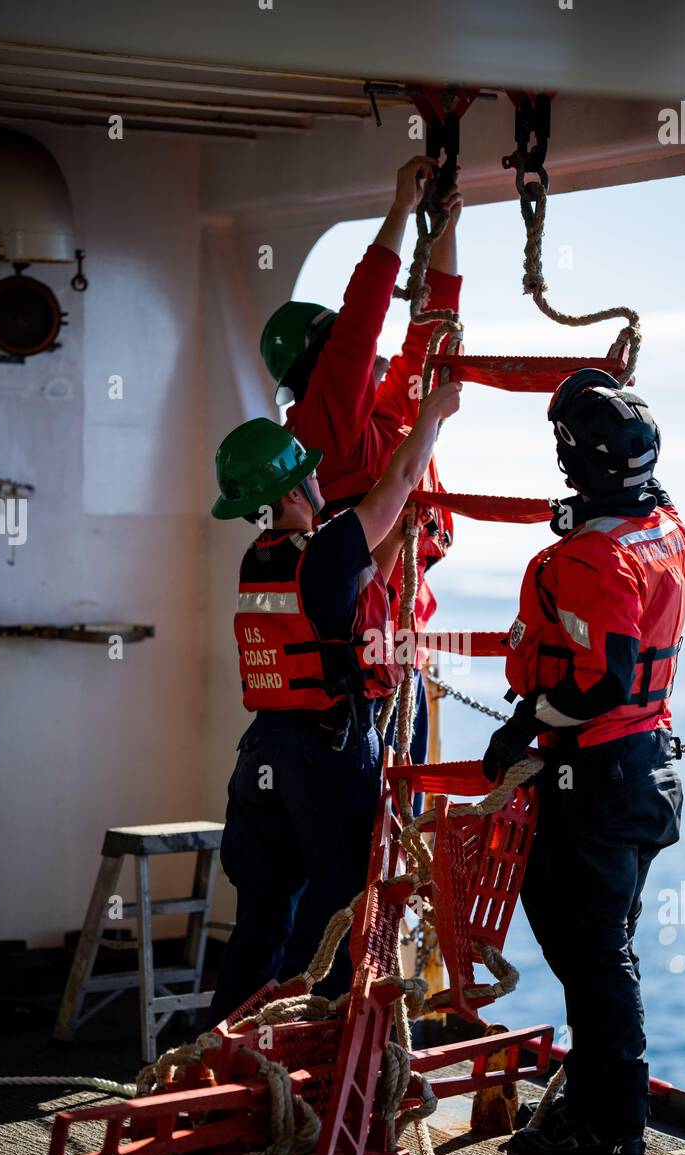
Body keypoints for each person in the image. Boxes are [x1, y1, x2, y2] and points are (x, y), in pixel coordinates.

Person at [482, 369, 685, 1155]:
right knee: (602, 951)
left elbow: (600, 680)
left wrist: (524, 723)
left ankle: (609, 1134)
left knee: (594, 955)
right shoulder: (663, 527)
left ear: (581, 463)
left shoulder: (588, 562)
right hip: (649, 768)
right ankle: (600, 1106)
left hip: (598, 777)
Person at [207, 380, 461, 1027]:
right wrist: (431, 413)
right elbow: (402, 474)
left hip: (261, 753)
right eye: (310, 476)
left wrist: (398, 541)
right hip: (325, 754)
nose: (320, 483)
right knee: (345, 910)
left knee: (261, 916)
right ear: (293, 491)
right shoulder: (322, 553)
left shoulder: (259, 559)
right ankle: (322, 1051)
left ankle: (226, 1052)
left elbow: (352, 580)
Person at [259, 156, 463, 765]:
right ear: (320, 368)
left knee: (398, 842)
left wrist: (445, 226)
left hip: (400, 658)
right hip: (367, 674)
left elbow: (434, 334)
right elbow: (363, 319)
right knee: (369, 848)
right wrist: (400, 207)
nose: (364, 356)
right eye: (343, 351)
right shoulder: (324, 428)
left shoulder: (383, 418)